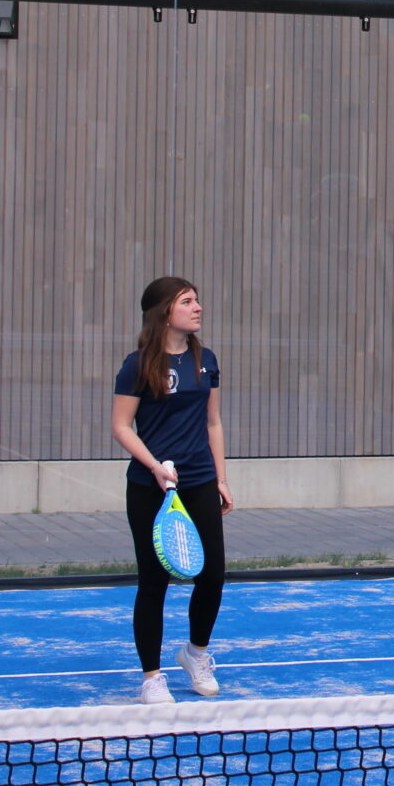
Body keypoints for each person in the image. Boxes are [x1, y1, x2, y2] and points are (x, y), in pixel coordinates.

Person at [110, 276, 232, 703]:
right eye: (187, 301)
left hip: (198, 482)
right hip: (150, 487)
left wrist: (219, 478)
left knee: (213, 574)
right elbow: (121, 426)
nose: (197, 307)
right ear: (165, 311)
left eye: (197, 299)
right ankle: (151, 678)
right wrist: (155, 467)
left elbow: (212, 422)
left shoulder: (206, 360)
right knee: (154, 581)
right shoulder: (137, 365)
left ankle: (196, 653)